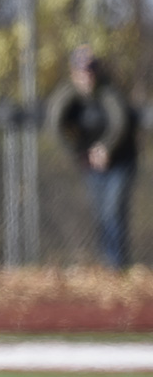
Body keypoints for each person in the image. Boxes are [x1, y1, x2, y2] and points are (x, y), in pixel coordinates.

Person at [46, 44, 138, 271]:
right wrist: (78, 152)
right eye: (82, 70)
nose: (87, 75)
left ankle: (117, 265)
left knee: (113, 209)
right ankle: (108, 264)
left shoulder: (108, 92)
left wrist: (105, 148)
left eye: (91, 69)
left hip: (120, 161)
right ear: (73, 72)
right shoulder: (68, 95)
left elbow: (120, 122)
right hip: (91, 164)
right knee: (100, 214)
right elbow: (55, 125)